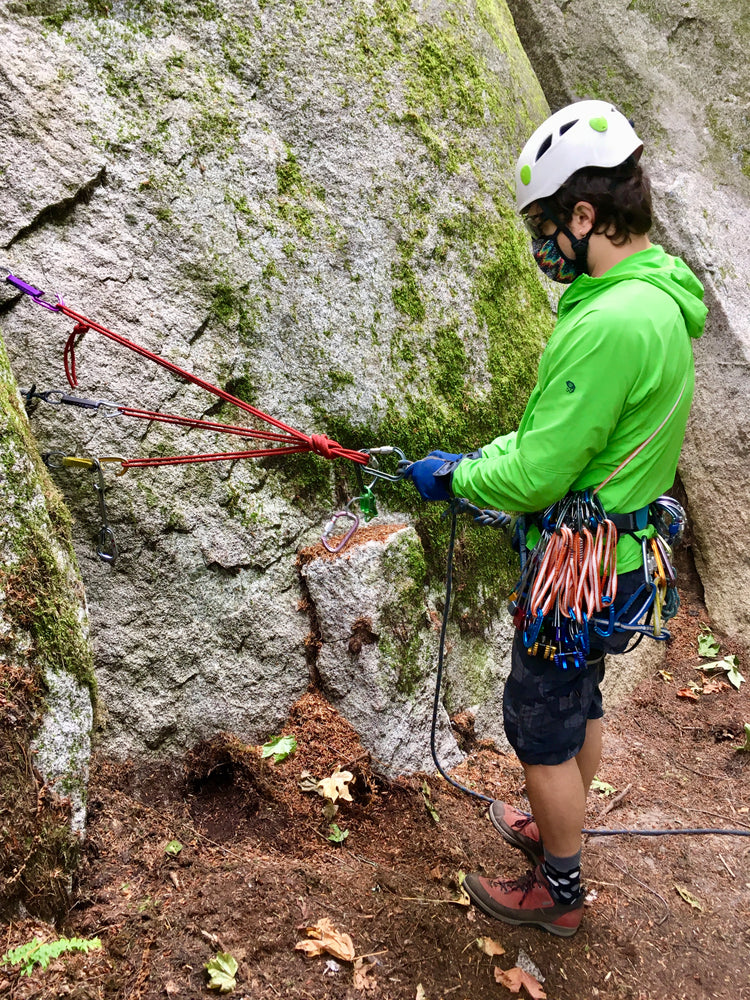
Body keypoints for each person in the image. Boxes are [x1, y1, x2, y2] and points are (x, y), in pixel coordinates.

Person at [402, 99, 707, 937]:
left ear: (584, 214)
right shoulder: (659, 299)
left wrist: (458, 477)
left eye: (545, 224)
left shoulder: (609, 322)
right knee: (579, 701)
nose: (542, 245)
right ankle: (556, 824)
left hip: (578, 566)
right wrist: (486, 459)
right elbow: (563, 440)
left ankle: (560, 891)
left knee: (538, 722)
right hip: (622, 555)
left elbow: (538, 470)